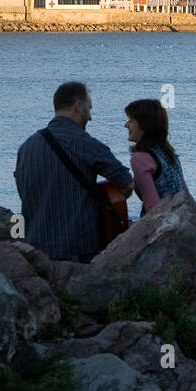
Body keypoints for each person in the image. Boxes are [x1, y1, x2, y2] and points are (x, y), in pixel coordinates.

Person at [14, 82, 134, 263]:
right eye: (89, 108)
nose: (91, 117)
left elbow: (25, 194)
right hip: (76, 251)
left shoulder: (26, 147)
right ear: (77, 106)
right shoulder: (85, 142)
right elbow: (127, 183)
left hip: (35, 252)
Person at [124, 98, 188, 214]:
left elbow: (153, 207)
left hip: (163, 225)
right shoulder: (168, 153)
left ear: (144, 125)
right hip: (182, 218)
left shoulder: (140, 159)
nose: (126, 125)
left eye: (131, 120)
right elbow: (185, 194)